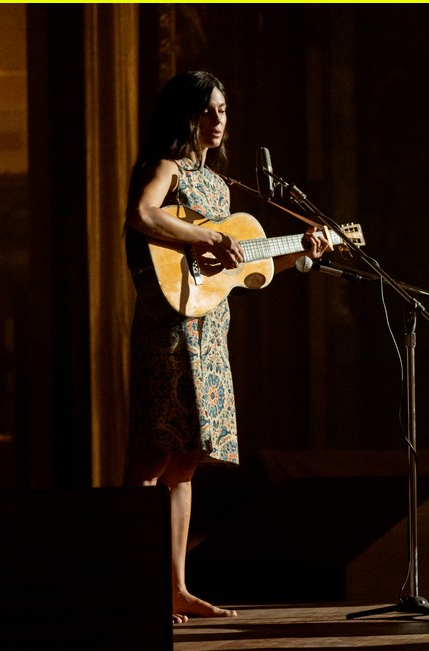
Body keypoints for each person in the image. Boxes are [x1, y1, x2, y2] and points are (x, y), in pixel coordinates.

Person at [122, 71, 332, 623]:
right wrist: (208, 237)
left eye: (224, 110)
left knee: (187, 461)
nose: (219, 121)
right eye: (209, 111)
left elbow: (253, 270)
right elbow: (142, 216)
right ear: (185, 116)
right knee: (151, 457)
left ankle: (174, 587)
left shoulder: (221, 185)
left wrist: (303, 252)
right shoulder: (164, 168)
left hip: (210, 330)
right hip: (168, 327)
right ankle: (130, 585)